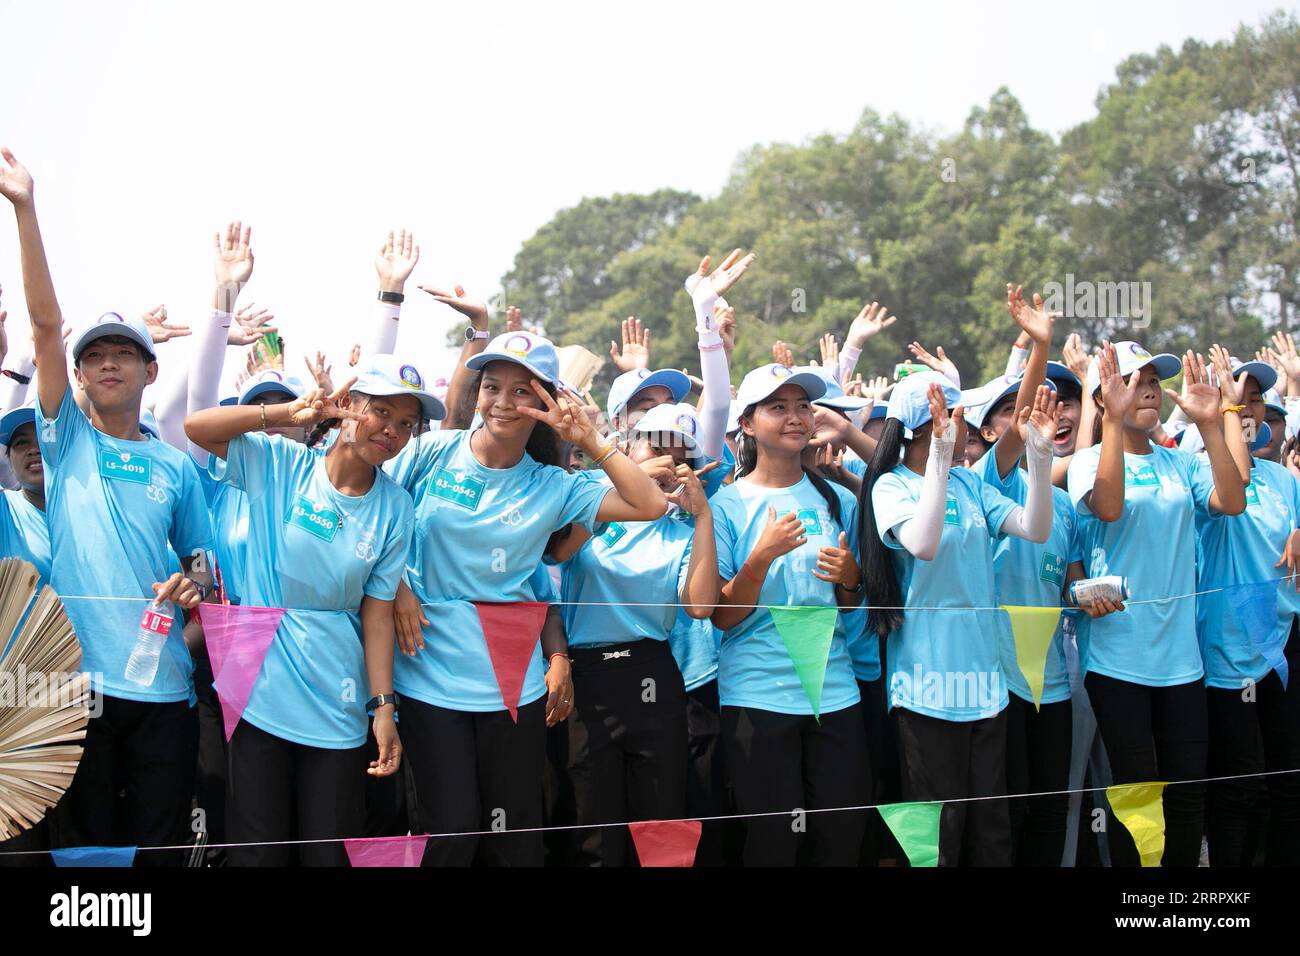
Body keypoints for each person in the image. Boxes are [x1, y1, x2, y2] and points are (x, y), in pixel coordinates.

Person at [1, 146, 215, 861]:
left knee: (156, 852)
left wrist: (195, 583)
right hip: (77, 686)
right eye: (95, 355)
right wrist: (26, 210)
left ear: (151, 370)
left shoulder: (175, 466)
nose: (109, 362)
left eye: (124, 352)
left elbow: (206, 568)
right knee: (85, 857)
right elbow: (42, 323)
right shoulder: (65, 443)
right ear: (79, 375)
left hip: (163, 695)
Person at [385, 330, 666, 866]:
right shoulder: (430, 453)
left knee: (514, 838)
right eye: (493, 387)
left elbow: (650, 503)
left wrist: (590, 440)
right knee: (452, 832)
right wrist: (396, 585)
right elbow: (370, 513)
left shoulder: (554, 485)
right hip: (424, 669)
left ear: (546, 403)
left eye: (523, 391)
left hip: (510, 678)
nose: (503, 402)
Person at [184, 356, 433, 865]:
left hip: (336, 694)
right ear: (348, 406)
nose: (392, 431)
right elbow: (196, 428)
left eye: (407, 423)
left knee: (327, 849)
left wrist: (382, 707)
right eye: (381, 411)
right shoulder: (280, 463)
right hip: (258, 688)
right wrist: (287, 414)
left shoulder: (396, 507)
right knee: (259, 852)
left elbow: (378, 612)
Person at [861, 370, 1055, 866]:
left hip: (984, 685)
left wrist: (1039, 454)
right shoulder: (891, 486)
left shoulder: (971, 483)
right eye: (960, 414)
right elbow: (923, 545)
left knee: (991, 831)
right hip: (925, 687)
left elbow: (1033, 528)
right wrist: (942, 462)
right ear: (927, 424)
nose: (967, 425)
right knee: (938, 835)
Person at [1067, 341, 1247, 866]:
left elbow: (1232, 501)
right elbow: (1110, 506)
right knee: (1137, 795)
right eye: (1131, 379)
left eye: (1152, 379)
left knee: (1188, 796)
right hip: (1118, 660)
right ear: (1104, 396)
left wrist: (1213, 423)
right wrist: (1115, 426)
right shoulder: (1084, 463)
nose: (1147, 387)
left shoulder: (1179, 465)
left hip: (1182, 663)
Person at [711, 363, 868, 866]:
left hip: (835, 691)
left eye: (802, 405)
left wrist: (850, 576)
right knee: (774, 843)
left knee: (841, 836)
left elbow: (852, 602)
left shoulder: (839, 498)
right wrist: (760, 557)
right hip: (758, 695)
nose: (795, 417)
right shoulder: (726, 505)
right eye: (777, 407)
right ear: (748, 424)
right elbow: (720, 615)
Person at [551, 402, 718, 865]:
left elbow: (701, 605)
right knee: (593, 824)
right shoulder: (591, 494)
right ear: (627, 445)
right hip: (585, 674)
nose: (668, 461)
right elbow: (557, 553)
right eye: (655, 446)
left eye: (681, 454)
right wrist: (629, 482)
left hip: (651, 671)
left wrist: (702, 517)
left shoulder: (684, 528)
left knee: (660, 819)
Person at [1193, 347, 1300, 865]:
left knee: (1287, 780)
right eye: (1236, 397)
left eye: (1255, 400)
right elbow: (1230, 494)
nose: (1248, 408)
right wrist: (1226, 418)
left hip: (1281, 644)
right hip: (1226, 652)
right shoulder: (1202, 473)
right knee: (1239, 786)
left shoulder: (1283, 479)